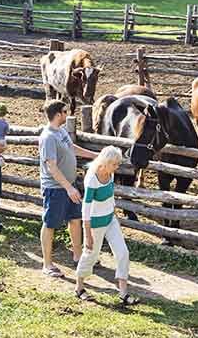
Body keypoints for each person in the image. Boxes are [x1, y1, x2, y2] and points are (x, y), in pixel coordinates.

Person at [39, 99, 98, 278]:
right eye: (65, 111)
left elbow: (72, 148)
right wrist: (68, 188)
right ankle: (47, 264)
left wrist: (96, 155)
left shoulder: (61, 131)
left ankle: (78, 255)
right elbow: (52, 167)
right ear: (58, 114)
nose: (67, 114)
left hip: (68, 185)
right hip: (56, 188)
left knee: (75, 219)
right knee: (50, 224)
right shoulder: (48, 137)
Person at [74, 146, 139, 306]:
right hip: (95, 223)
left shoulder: (110, 174)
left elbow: (110, 196)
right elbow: (86, 208)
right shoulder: (92, 179)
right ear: (106, 162)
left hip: (110, 219)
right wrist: (87, 234)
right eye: (115, 164)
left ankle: (123, 292)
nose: (117, 167)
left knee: (123, 252)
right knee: (91, 255)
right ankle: (79, 287)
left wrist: (113, 212)